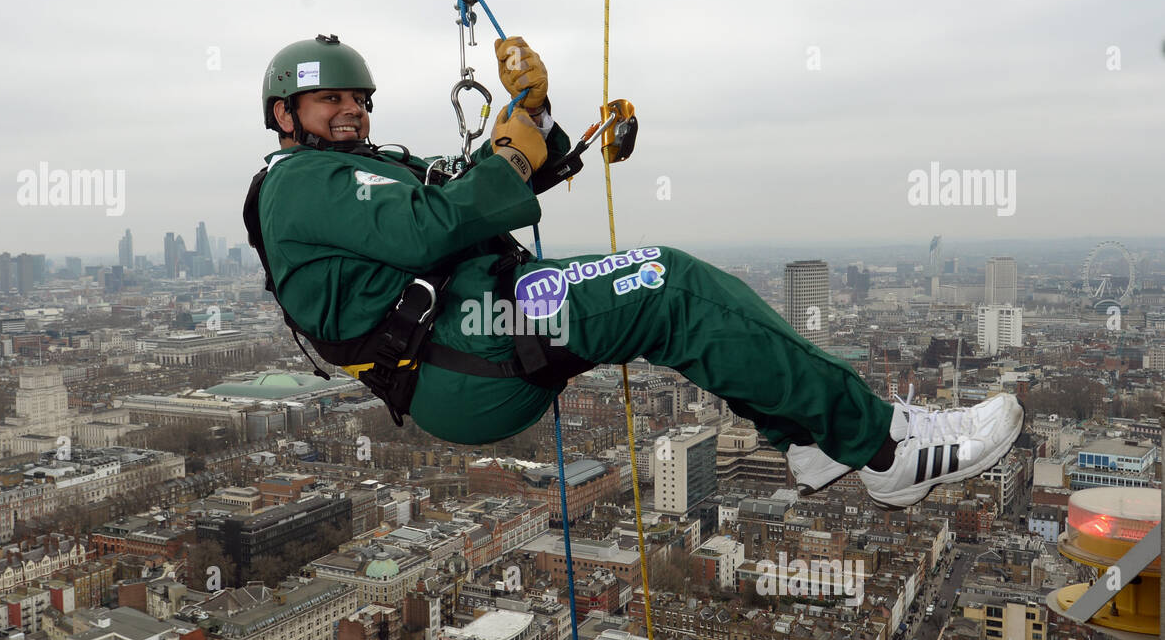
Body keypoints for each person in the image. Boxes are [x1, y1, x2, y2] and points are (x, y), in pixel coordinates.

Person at [244, 34, 1023, 509]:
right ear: (286, 116)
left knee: (667, 285)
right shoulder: (300, 185)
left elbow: (463, 188)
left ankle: (814, 436)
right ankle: (889, 450)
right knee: (668, 287)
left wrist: (535, 116)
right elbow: (434, 224)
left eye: (359, 99)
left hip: (474, 332)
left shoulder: (362, 170)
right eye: (328, 101)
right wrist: (514, 148)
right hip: (467, 350)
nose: (350, 112)